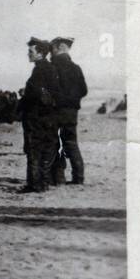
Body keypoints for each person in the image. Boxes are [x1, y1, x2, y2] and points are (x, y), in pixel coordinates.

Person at [16, 37, 61, 193]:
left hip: (36, 118)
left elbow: (37, 94)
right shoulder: (50, 69)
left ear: (40, 53)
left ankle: (35, 184)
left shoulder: (39, 70)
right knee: (45, 150)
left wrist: (25, 93)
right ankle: (43, 183)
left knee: (34, 150)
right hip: (48, 118)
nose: (28, 54)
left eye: (31, 51)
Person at [50, 36, 88, 185]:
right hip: (72, 113)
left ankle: (59, 178)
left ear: (59, 47)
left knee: (56, 143)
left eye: (51, 48)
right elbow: (84, 90)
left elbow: (50, 90)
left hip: (56, 111)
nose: (50, 52)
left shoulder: (53, 67)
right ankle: (79, 177)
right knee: (71, 142)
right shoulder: (76, 68)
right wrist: (73, 100)